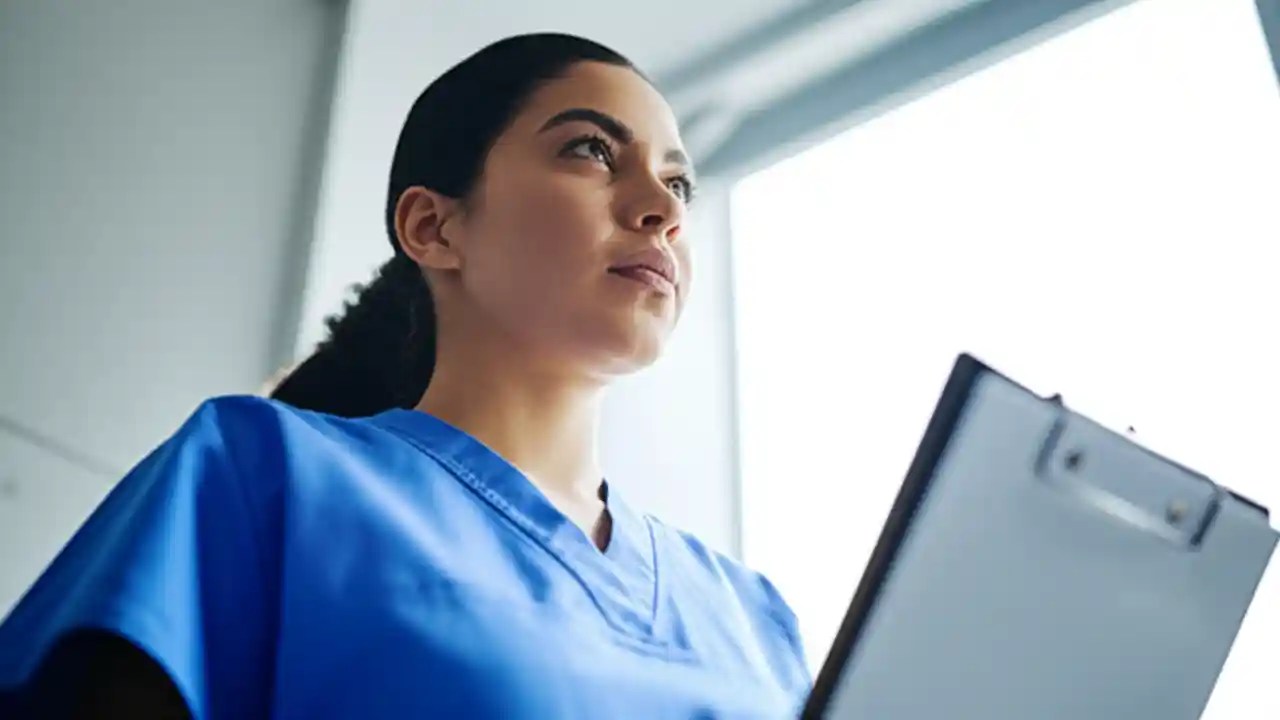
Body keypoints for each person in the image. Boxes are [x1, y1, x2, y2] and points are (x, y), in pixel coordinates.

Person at [0, 33, 811, 719]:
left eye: (679, 183)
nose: (663, 211)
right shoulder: (262, 471)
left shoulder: (756, 620)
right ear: (433, 227)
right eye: (591, 150)